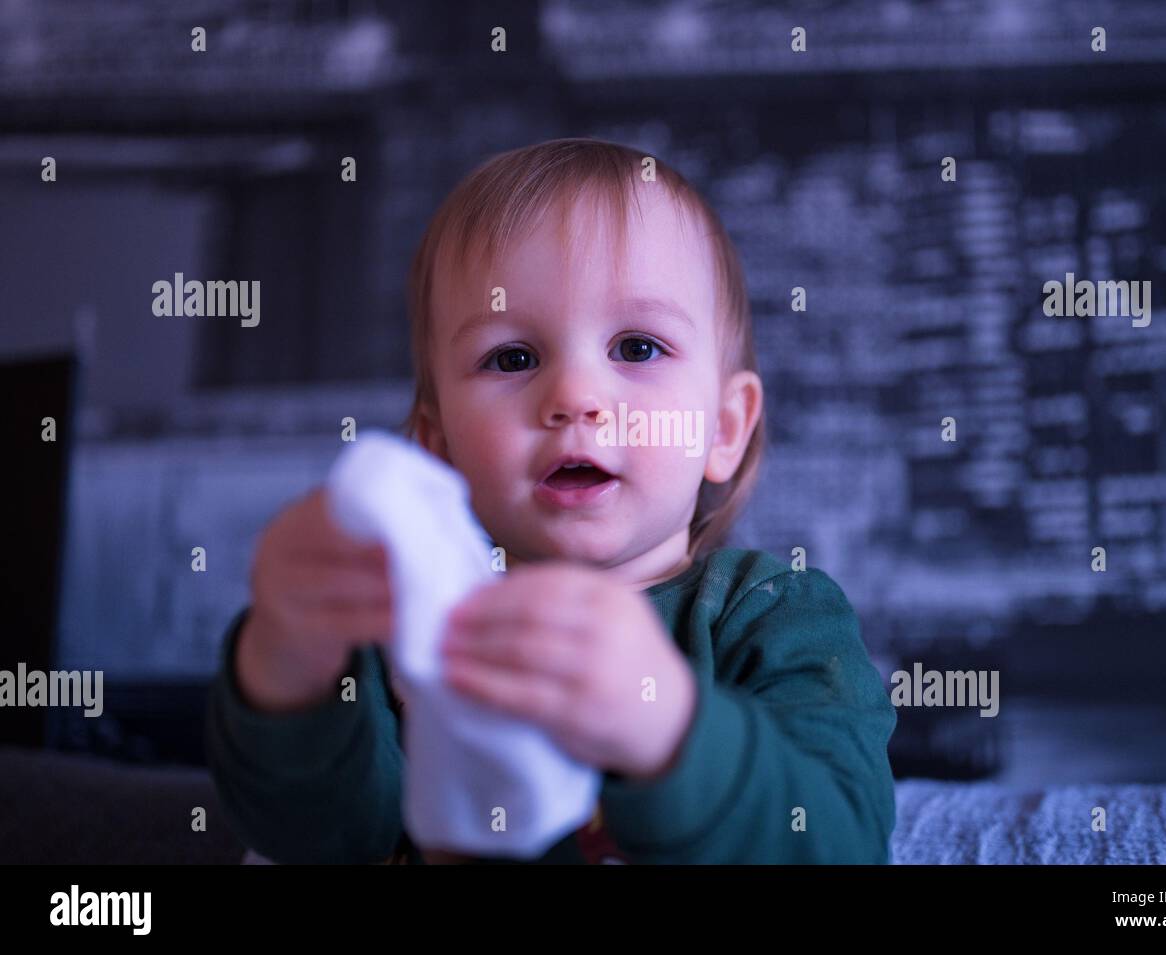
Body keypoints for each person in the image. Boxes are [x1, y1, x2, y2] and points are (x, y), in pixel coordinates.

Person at [205, 137, 897, 864]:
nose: (575, 398)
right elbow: (323, 838)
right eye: (513, 358)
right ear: (438, 447)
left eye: (637, 348)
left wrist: (666, 720)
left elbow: (841, 840)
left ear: (722, 427)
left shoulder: (774, 615)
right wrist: (288, 655)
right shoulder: (402, 625)